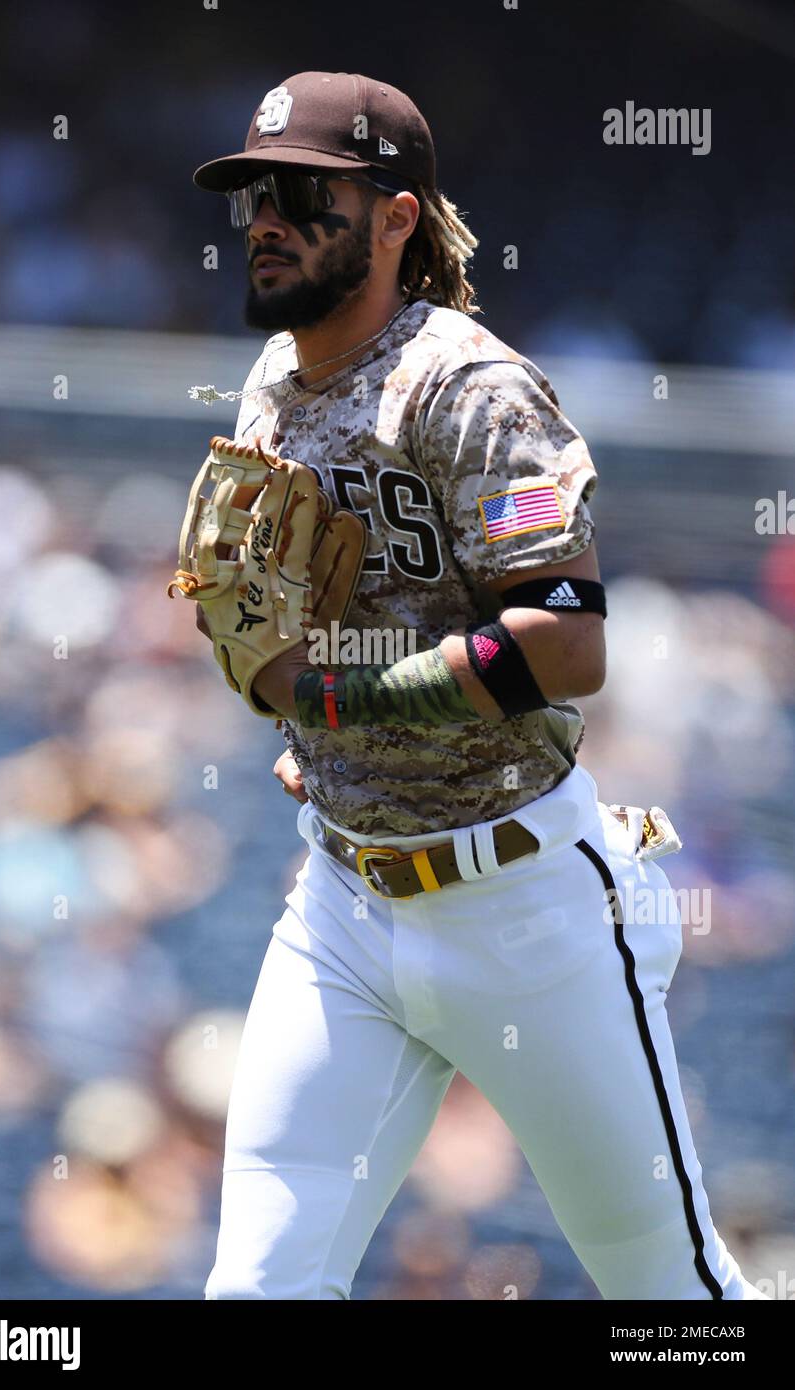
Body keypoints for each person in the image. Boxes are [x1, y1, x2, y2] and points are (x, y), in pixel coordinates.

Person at [191, 70, 766, 1300]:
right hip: (344, 901)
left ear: (395, 216)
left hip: (524, 906)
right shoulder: (271, 391)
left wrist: (338, 700)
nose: (267, 219)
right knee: (255, 1291)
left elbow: (565, 642)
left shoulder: (469, 388)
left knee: (671, 1295)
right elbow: (309, 639)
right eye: (253, 194)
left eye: (304, 192)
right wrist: (314, 729)